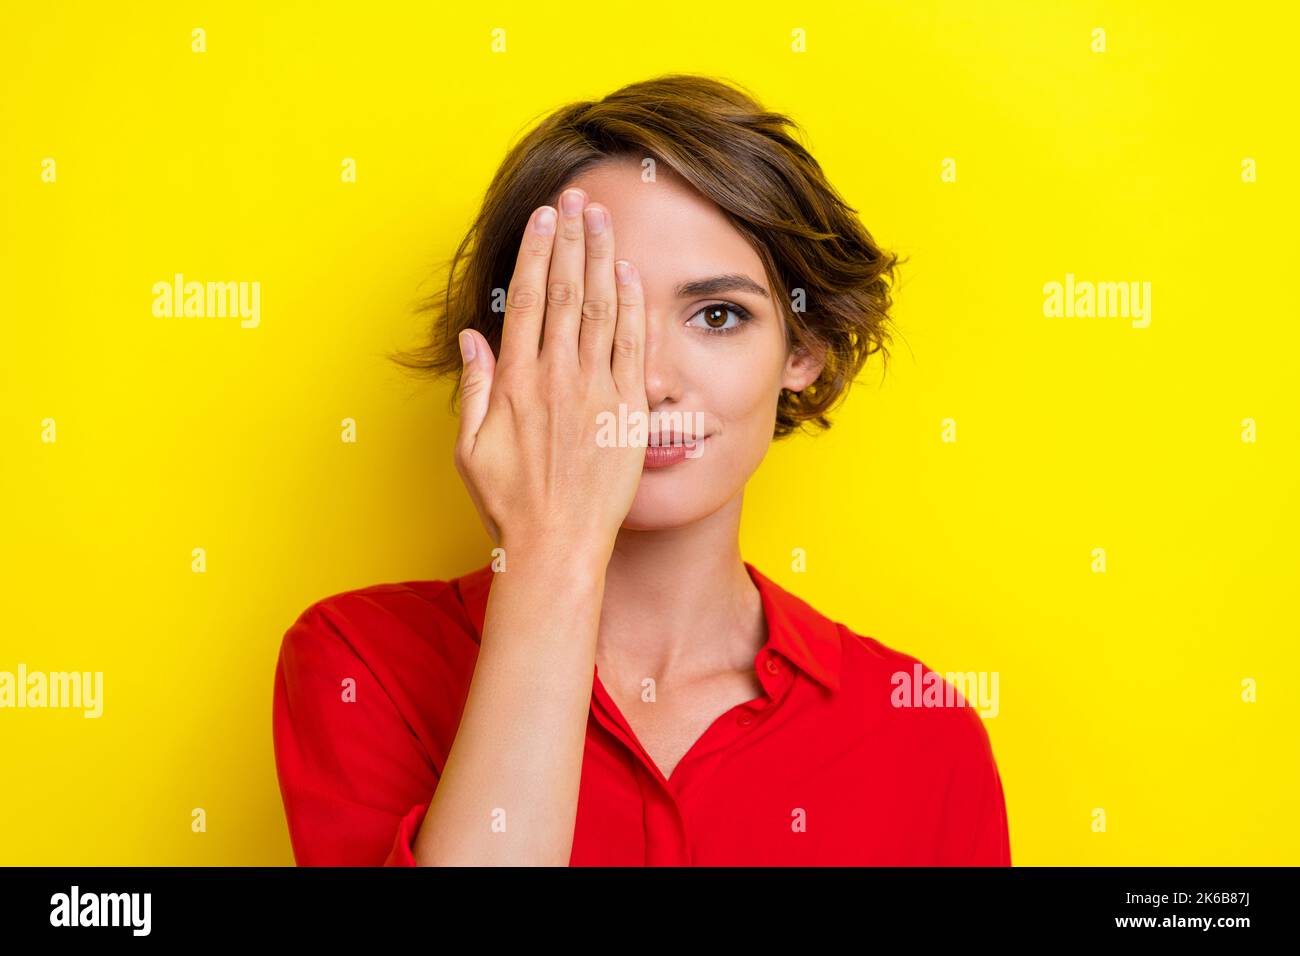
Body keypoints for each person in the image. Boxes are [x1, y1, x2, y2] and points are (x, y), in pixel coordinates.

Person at [272, 73, 1011, 866]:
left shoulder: (920, 731)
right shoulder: (360, 663)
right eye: (589, 316)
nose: (650, 379)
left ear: (804, 350)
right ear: (514, 344)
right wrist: (549, 554)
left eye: (718, 315)